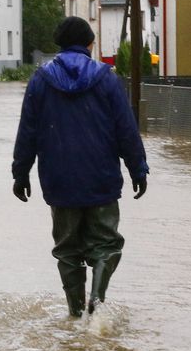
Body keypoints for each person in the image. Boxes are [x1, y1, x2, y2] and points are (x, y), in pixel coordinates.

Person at [11, 17, 149, 317]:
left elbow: (28, 132)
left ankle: (75, 314)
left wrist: (20, 173)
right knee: (106, 245)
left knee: (67, 251)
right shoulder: (107, 78)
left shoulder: (40, 80)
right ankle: (96, 305)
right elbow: (126, 129)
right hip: (101, 179)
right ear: (89, 44)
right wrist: (138, 168)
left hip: (59, 180)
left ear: (59, 44)